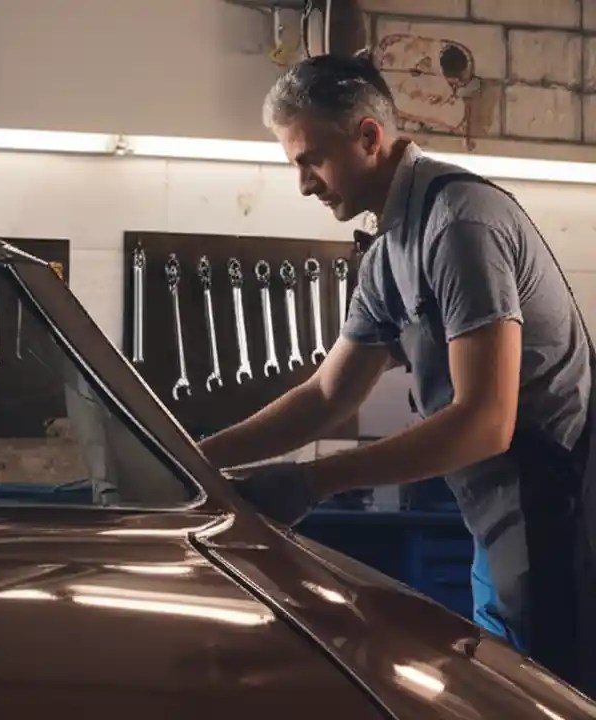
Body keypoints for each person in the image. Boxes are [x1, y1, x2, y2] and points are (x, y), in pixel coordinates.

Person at [198, 52, 596, 695]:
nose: (303, 184)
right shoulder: (390, 251)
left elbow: (485, 421)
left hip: (561, 520)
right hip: (497, 523)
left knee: (552, 699)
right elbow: (326, 394)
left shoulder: (460, 223)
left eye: (311, 160)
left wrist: (313, 481)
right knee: (506, 694)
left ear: (368, 137)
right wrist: (192, 459)